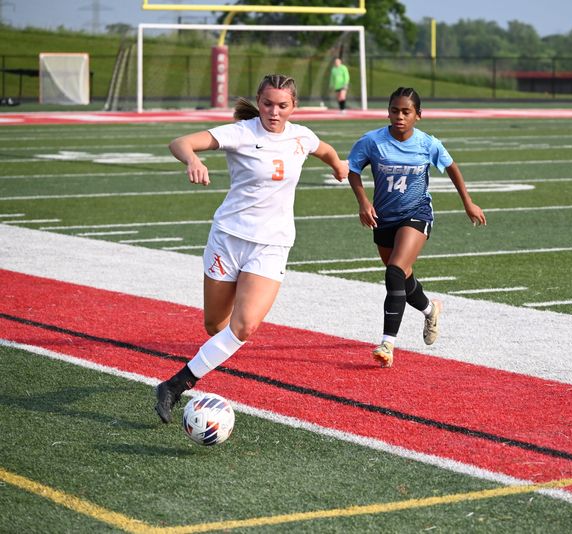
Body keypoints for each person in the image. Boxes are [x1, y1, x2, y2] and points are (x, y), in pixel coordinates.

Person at [155, 73, 349, 423]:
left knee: (244, 327)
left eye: (282, 106)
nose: (274, 112)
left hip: (272, 244)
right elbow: (180, 142)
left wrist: (338, 165)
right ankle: (212, 352)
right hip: (228, 238)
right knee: (215, 325)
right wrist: (193, 160)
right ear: (258, 103)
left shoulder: (301, 136)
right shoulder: (241, 133)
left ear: (294, 107)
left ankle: (174, 384)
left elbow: (325, 150)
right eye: (268, 104)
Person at [346, 87, 486, 368]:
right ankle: (430, 309)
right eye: (395, 110)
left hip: (417, 213)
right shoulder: (372, 142)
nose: (399, 116)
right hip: (384, 217)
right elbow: (353, 170)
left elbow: (452, 168)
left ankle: (388, 343)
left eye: (406, 112)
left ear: (418, 116)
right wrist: (363, 202)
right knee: (403, 279)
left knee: (395, 270)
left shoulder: (427, 143)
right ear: (388, 112)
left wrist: (468, 203)